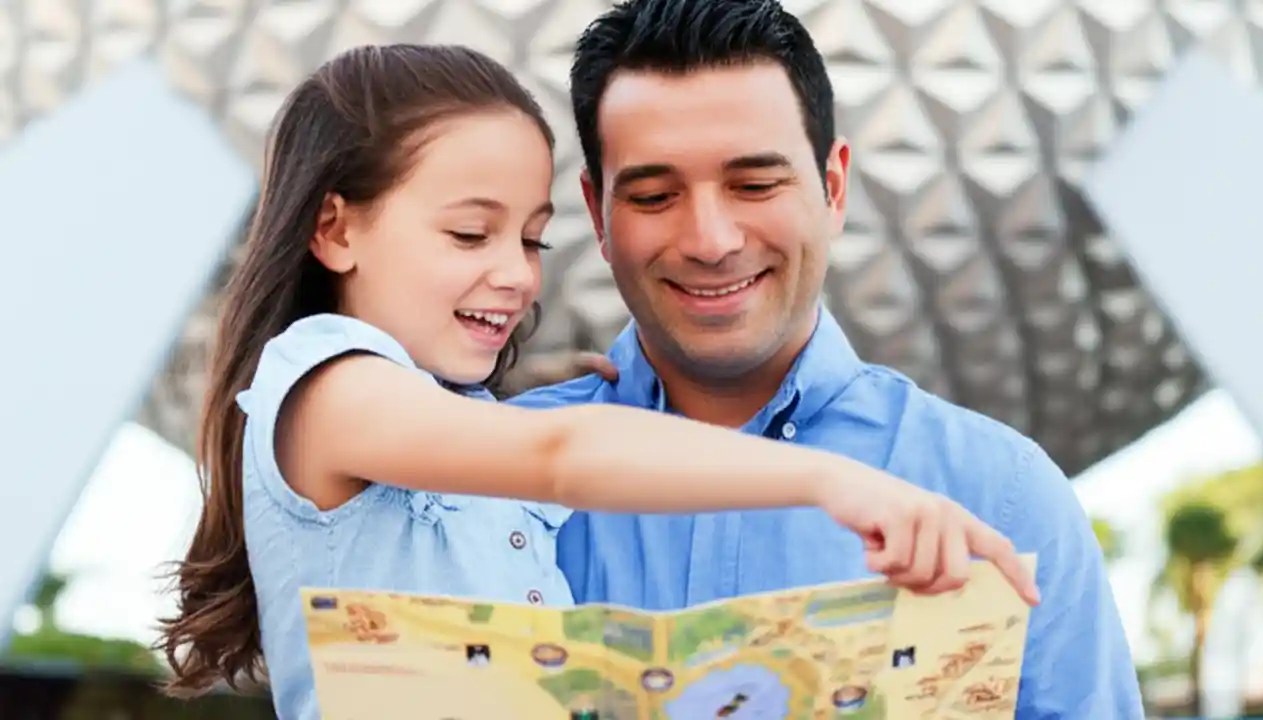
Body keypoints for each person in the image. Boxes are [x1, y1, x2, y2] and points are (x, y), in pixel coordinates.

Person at [153, 43, 1036, 720]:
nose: (515, 274)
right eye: (471, 235)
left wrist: (510, 394)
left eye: (532, 239)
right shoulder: (325, 387)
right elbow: (557, 452)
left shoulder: (441, 418)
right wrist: (832, 479)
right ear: (336, 229)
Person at [507, 0, 1143, 717]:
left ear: (833, 187)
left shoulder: (1002, 493)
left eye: (755, 185)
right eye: (655, 196)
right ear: (596, 215)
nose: (710, 240)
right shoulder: (481, 485)